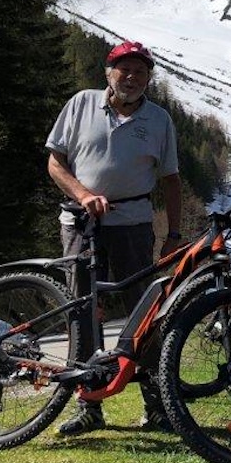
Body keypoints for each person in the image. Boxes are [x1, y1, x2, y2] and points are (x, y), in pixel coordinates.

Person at [45, 40, 182, 436]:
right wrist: (84, 194)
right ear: (109, 72)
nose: (132, 77)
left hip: (134, 225)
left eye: (141, 71)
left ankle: (157, 406)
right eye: (125, 69)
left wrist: (172, 233)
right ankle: (90, 408)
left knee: (145, 316)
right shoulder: (81, 104)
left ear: (148, 79)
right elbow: (55, 161)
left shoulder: (159, 120)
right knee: (82, 312)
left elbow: (171, 180)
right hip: (80, 223)